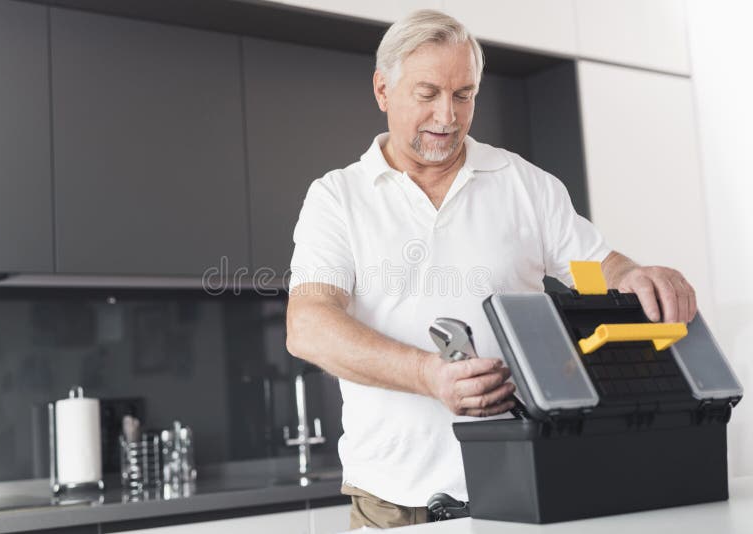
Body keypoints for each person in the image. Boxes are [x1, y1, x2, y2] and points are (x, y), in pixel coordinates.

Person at [285, 9, 697, 530]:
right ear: (383, 90)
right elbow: (308, 325)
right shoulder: (337, 198)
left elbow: (595, 268)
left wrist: (633, 274)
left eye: (464, 94)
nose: (448, 116)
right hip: (392, 503)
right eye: (427, 93)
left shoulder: (525, 185)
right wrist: (428, 374)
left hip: (521, 486)